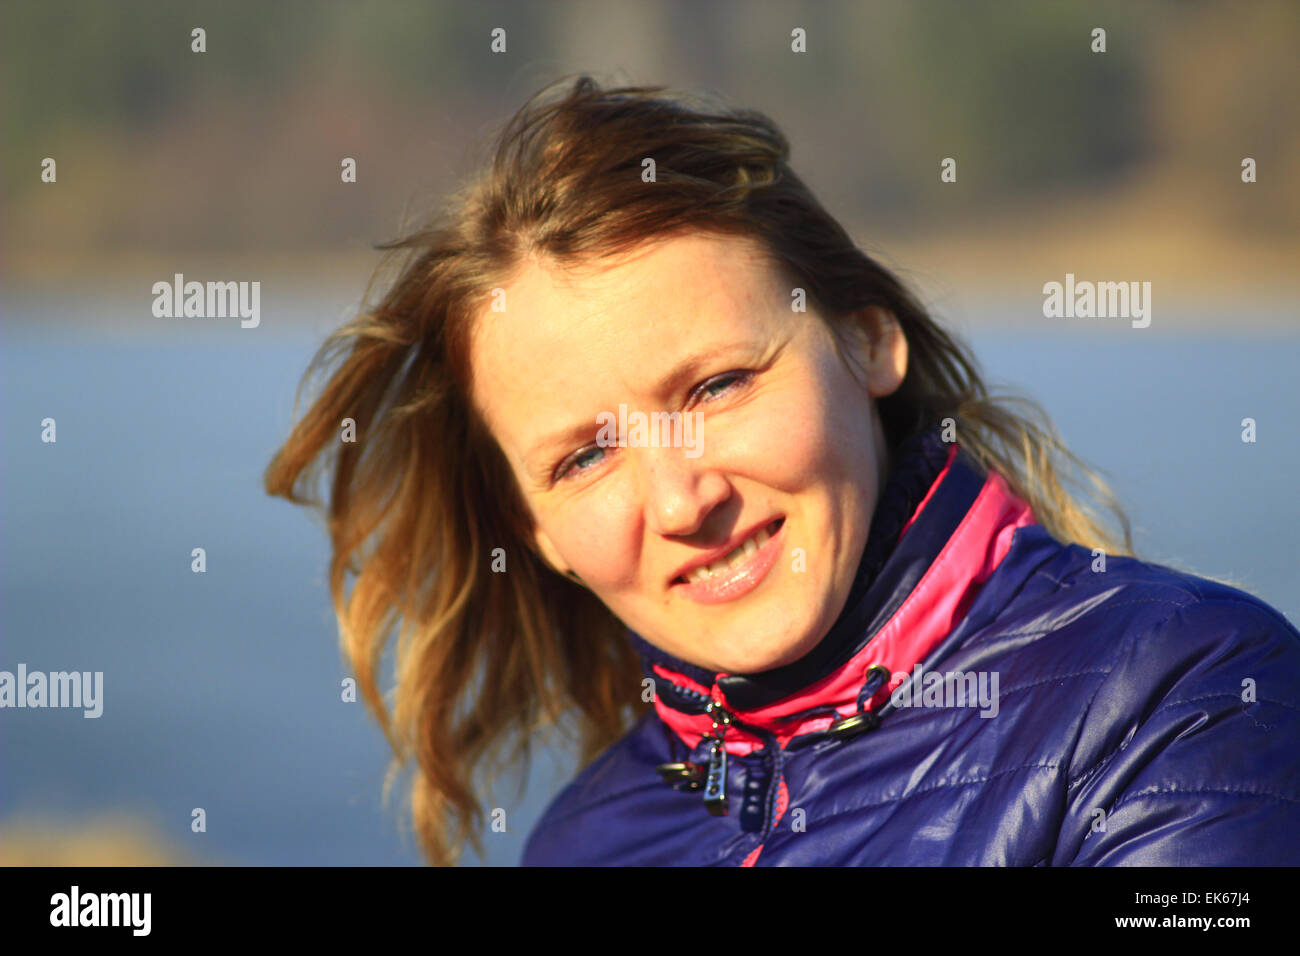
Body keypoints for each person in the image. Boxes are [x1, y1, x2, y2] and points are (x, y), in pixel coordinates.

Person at [263, 75, 1300, 866]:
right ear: (535, 529)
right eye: (584, 455)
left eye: (715, 386)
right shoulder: (590, 840)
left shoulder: (1182, 695)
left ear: (866, 341)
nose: (682, 498)